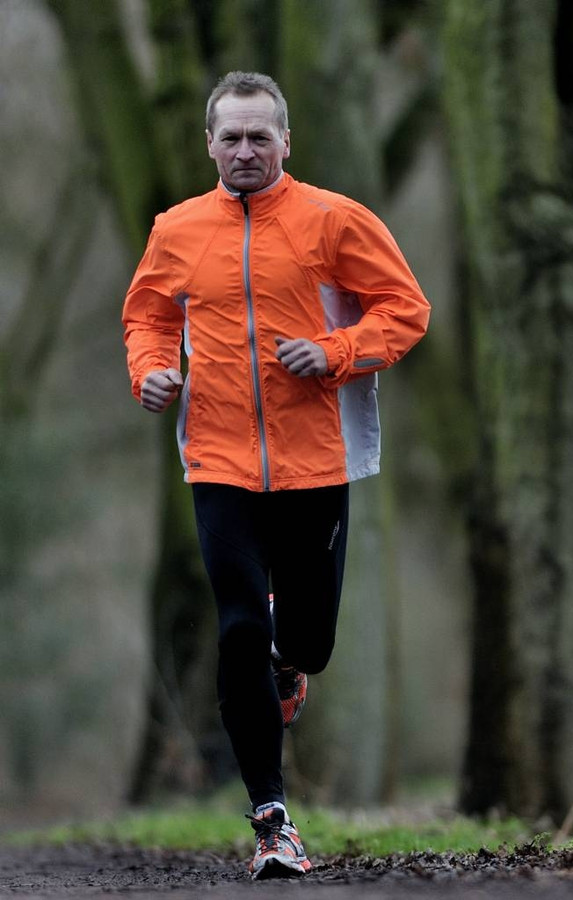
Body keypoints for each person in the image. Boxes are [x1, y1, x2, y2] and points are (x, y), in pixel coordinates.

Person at [122, 71, 430, 880]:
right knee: (236, 629)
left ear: (286, 142)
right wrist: (152, 371)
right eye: (232, 136)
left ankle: (292, 664)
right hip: (218, 461)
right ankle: (272, 820)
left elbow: (404, 308)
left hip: (316, 459)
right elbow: (148, 316)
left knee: (309, 640)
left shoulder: (334, 220)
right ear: (210, 144)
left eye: (262, 136)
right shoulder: (178, 229)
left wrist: (333, 354)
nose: (247, 149)